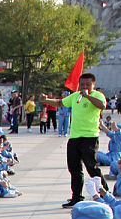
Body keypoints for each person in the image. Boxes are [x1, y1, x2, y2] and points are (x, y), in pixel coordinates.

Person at [41, 73, 106, 208]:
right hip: (75, 137)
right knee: (74, 168)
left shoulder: (97, 95)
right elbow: (60, 102)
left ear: (93, 84)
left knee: (91, 166)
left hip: (90, 136)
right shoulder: (75, 96)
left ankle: (105, 193)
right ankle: (76, 197)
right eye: (82, 84)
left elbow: (102, 106)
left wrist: (87, 95)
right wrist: (46, 100)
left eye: (88, 84)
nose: (84, 87)